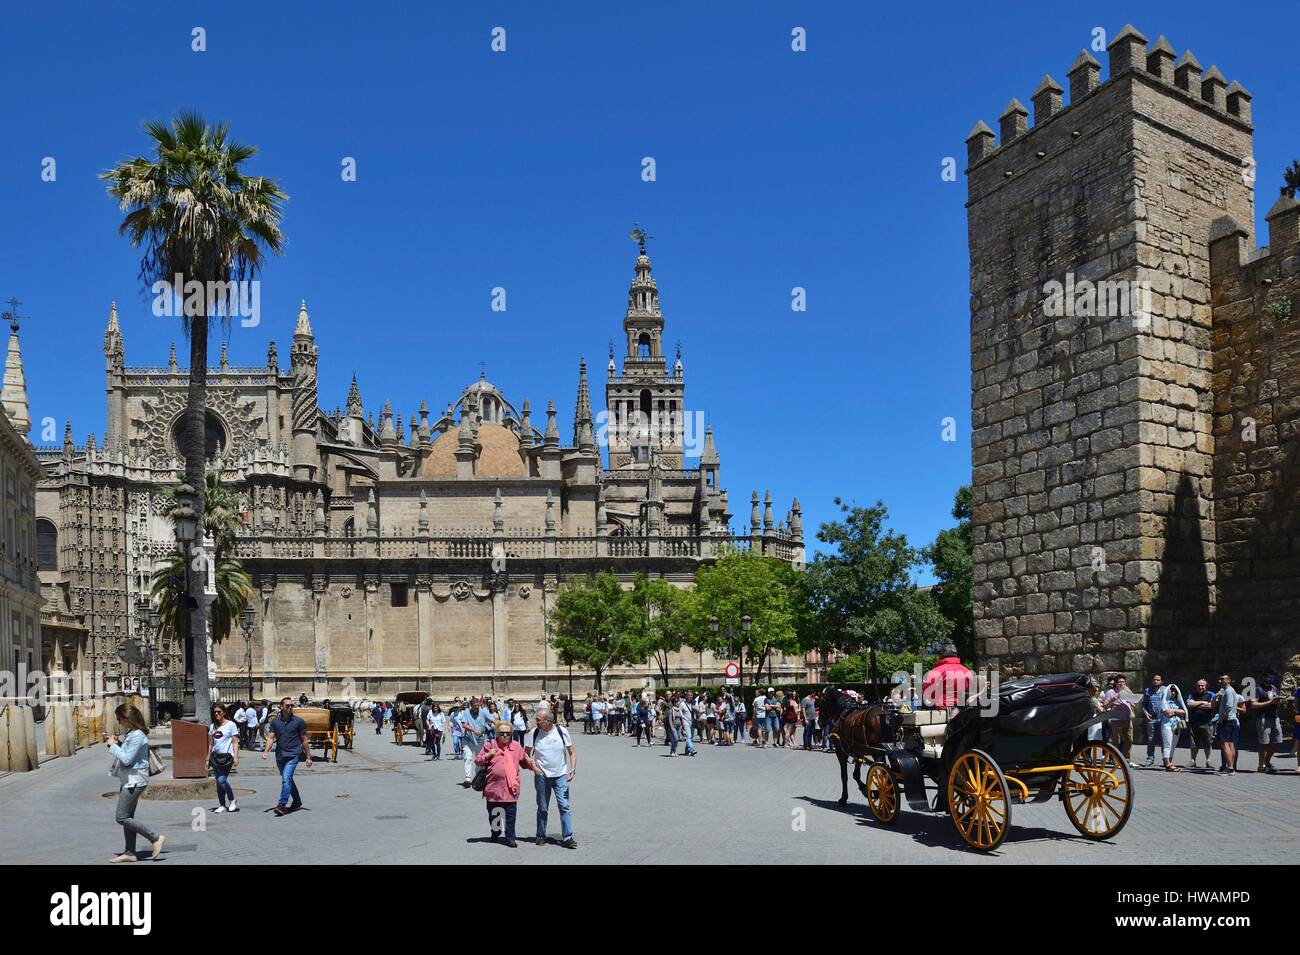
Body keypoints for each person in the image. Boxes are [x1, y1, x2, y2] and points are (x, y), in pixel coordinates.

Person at [106, 704, 165, 863]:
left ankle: (155, 837)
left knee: (121, 817)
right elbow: (127, 754)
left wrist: (112, 746)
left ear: (127, 718)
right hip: (128, 779)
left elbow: (126, 759)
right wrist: (118, 744)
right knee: (128, 817)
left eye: (119, 719)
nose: (118, 722)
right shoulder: (131, 733)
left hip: (135, 780)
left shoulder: (138, 735)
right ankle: (130, 852)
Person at [474, 721, 539, 848]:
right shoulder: (490, 745)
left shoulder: (516, 746)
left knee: (510, 815)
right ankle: (496, 831)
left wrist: (532, 764)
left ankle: (510, 838)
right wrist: (488, 754)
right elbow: (478, 761)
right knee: (495, 814)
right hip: (493, 788)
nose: (505, 736)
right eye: (502, 733)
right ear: (497, 734)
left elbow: (523, 763)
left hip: (511, 788)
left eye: (508, 733)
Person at [526, 706, 577, 848]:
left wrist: (573, 769)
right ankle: (540, 834)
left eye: (538, 720)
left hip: (560, 775)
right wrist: (534, 767)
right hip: (542, 776)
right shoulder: (534, 733)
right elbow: (526, 753)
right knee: (542, 807)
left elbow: (572, 751)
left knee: (564, 806)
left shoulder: (561, 731)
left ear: (548, 721)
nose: (536, 722)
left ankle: (568, 837)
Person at [263, 696, 312, 815]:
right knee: (288, 779)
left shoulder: (299, 721)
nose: (290, 707)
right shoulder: (275, 722)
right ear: (281, 707)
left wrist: (308, 757)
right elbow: (270, 737)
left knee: (286, 780)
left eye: (291, 705)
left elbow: (304, 740)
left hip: (293, 754)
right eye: (287, 705)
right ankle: (297, 801)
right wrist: (266, 751)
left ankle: (281, 805)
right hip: (280, 755)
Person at [208, 703, 240, 813]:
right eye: (215, 712)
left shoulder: (231, 725)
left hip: (227, 757)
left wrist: (236, 756)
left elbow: (235, 742)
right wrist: (207, 758)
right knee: (218, 782)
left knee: (222, 780)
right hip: (215, 757)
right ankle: (222, 804)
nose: (216, 714)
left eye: (219, 712)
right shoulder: (212, 727)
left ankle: (232, 800)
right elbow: (211, 744)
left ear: (224, 712)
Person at [1184, 678, 1217, 770]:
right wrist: (1203, 702)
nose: (1200, 687)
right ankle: (1193, 760)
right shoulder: (1192, 694)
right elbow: (1189, 704)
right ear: (1196, 687)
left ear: (1206, 686)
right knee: (1193, 743)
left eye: (1202, 685)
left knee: (1207, 743)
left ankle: (1208, 761)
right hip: (1194, 722)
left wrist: (1196, 704)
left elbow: (1211, 705)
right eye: (1198, 686)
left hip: (1207, 723)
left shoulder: (1211, 694)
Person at [1253, 674, 1283, 774]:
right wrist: (1270, 703)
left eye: (1273, 678)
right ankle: (1261, 766)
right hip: (1263, 719)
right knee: (1263, 743)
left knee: (1275, 742)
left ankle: (1267, 762)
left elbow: (1275, 701)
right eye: (1270, 677)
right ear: (1264, 677)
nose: (1272, 679)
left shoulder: (1274, 688)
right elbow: (1253, 705)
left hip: (1275, 718)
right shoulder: (1258, 689)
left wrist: (1279, 701)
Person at [459, 698, 491, 787]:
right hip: (468, 740)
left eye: (478, 706)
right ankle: (467, 779)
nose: (477, 707)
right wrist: (473, 730)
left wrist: (501, 725)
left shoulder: (483, 712)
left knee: (479, 760)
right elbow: (464, 724)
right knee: (467, 758)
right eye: (475, 706)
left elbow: (493, 720)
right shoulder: (466, 712)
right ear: (471, 706)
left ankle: (478, 777)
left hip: (480, 741)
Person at [1102, 676, 1135, 763]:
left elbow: (1134, 703)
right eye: (1120, 682)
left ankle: (1126, 759)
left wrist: (1129, 693)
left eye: (1124, 682)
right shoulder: (1110, 692)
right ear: (1115, 683)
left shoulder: (1127, 691)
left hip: (1127, 719)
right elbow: (1105, 706)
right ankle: (1115, 758)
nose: (1122, 684)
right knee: (1116, 741)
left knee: (1129, 740)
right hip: (1116, 719)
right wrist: (1114, 699)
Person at [1214, 674, 1241, 774]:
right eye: (1219, 679)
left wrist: (1222, 719)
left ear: (1229, 680)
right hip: (1231, 720)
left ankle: (1230, 768)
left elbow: (1229, 706)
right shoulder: (1228, 691)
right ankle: (1231, 767)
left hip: (1227, 721)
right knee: (1230, 744)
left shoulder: (1229, 691)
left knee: (1225, 744)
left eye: (1222, 679)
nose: (1220, 681)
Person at [1141, 674, 1166, 767]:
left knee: (1164, 739)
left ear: (1162, 681)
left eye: (1158, 680)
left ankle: (1165, 759)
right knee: (1151, 739)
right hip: (1152, 718)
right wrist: (1146, 713)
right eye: (1154, 680)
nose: (1156, 681)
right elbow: (1144, 705)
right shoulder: (1148, 691)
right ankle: (1150, 758)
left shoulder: (1165, 690)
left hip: (1163, 719)